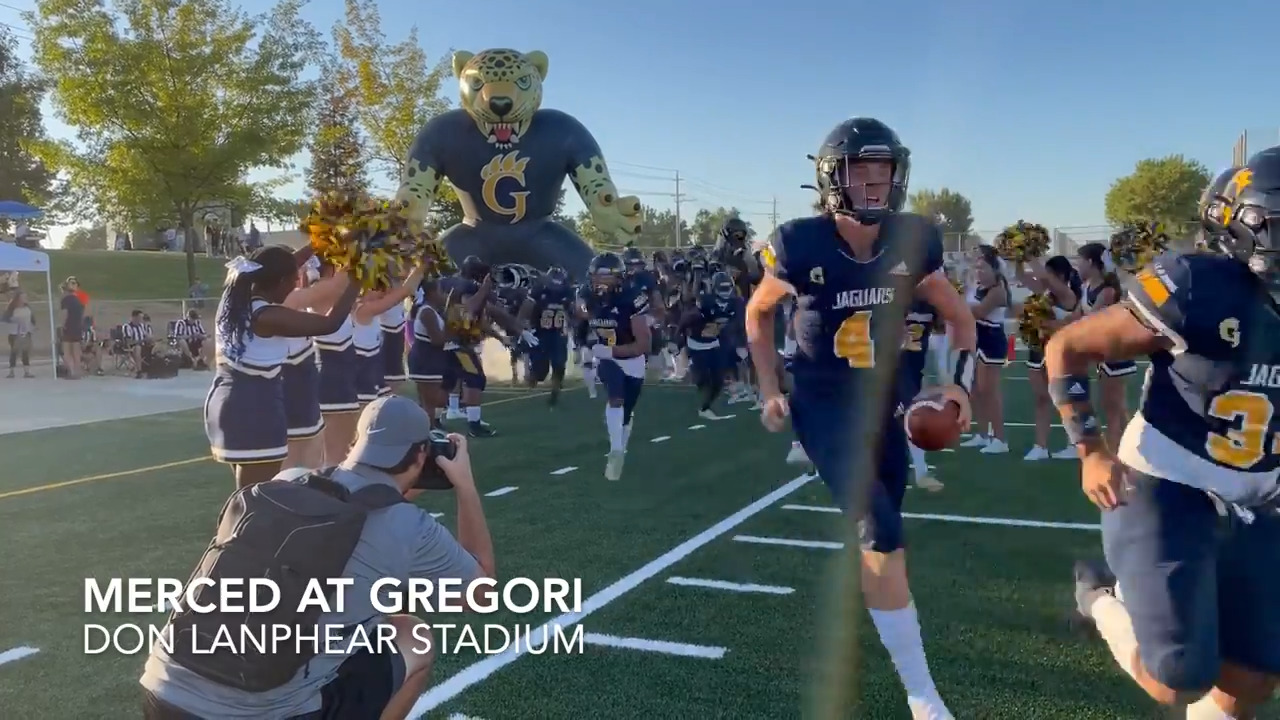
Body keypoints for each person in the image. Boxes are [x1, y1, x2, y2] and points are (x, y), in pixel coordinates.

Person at [745, 117, 977, 720]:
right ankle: (921, 694)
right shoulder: (799, 242)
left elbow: (959, 319)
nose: (874, 185)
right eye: (860, 171)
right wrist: (770, 387)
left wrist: (960, 385)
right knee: (882, 528)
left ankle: (883, 604)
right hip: (822, 406)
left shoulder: (915, 238)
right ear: (831, 178)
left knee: (883, 531)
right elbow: (758, 314)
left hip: (893, 406)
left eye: (883, 172)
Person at [1047, 150, 1280, 719]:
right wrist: (1091, 451)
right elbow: (1067, 348)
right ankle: (1100, 599)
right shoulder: (1199, 284)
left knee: (1258, 670)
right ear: (1241, 225)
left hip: (1262, 490)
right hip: (1166, 476)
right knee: (1177, 676)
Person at [141, 395, 494, 720]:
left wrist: (395, 486)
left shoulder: (287, 482)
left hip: (163, 693)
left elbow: (350, 503)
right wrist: (464, 485)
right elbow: (482, 594)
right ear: (421, 456)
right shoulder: (408, 526)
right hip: (258, 715)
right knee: (412, 634)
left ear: (355, 444)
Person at [205, 247, 359, 489]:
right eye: (292, 281)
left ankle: (239, 526)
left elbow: (284, 264)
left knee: (247, 493)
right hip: (254, 407)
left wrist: (319, 239)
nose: (294, 286)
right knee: (258, 496)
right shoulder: (266, 317)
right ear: (278, 281)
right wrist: (359, 279)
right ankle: (240, 527)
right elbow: (329, 323)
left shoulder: (235, 294)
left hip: (229, 401)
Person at [579, 251, 651, 481]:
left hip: (631, 358)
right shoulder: (587, 294)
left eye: (605, 277)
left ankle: (620, 445)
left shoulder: (631, 297)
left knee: (627, 413)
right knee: (616, 397)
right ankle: (616, 451)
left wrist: (611, 350)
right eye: (596, 277)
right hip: (606, 359)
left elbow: (643, 345)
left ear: (619, 278)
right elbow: (579, 310)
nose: (599, 283)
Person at [1073, 241, 1133, 450]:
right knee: (1116, 405)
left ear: (1090, 262)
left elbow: (1090, 320)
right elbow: (1078, 317)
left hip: (1115, 353)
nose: (1077, 266)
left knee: (1112, 409)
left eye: (1080, 261)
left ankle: (1116, 456)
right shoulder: (1085, 287)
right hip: (1102, 354)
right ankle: (1136, 446)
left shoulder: (1107, 291)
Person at [959, 245, 1010, 455]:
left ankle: (1000, 439)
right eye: (977, 268)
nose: (979, 272)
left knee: (989, 391)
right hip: (977, 338)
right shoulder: (976, 286)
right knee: (976, 390)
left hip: (991, 339)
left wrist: (956, 304)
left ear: (995, 270)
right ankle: (981, 434)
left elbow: (978, 312)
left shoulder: (998, 290)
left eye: (983, 268)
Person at [4, 289, 35, 378]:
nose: (25, 298)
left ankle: (27, 371)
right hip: (15, 333)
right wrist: (14, 320)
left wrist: (32, 327)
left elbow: (32, 319)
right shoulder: (12, 308)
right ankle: (11, 371)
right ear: (18, 298)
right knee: (14, 351)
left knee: (25, 352)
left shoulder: (28, 308)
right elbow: (5, 319)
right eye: (23, 297)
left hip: (26, 332)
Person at [59, 280, 85, 379]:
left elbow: (64, 314)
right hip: (77, 327)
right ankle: (77, 371)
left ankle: (72, 371)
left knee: (67, 351)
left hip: (68, 327)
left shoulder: (66, 300)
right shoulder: (78, 301)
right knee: (76, 352)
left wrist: (62, 325)